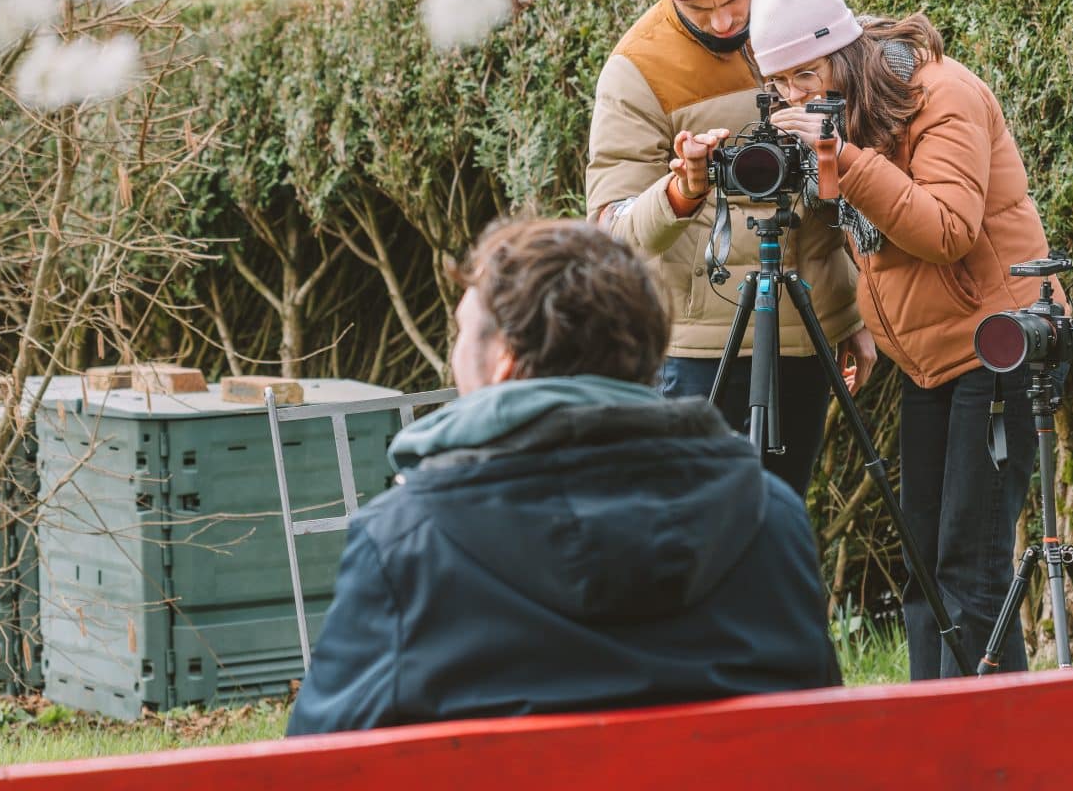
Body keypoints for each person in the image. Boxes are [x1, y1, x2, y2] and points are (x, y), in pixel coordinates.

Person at [286, 218, 840, 736]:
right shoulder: (770, 516)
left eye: (459, 333)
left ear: (504, 359)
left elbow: (317, 760)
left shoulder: (403, 544)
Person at [749, 0, 1064, 681]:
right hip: (929, 359)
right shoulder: (845, 115)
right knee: (924, 566)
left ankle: (982, 738)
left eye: (805, 74)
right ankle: (935, 727)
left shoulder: (939, 93)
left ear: (842, 49)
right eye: (780, 84)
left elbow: (948, 230)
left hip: (1002, 343)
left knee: (970, 567)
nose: (795, 95)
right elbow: (873, 245)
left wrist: (844, 161)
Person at [586, 0, 875, 498]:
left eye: (734, 0)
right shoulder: (638, 67)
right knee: (701, 527)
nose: (722, 22)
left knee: (783, 516)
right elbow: (611, 230)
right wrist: (682, 191)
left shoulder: (800, 17)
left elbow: (841, 185)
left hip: (807, 332)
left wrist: (852, 314)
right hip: (700, 350)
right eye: (700, 9)